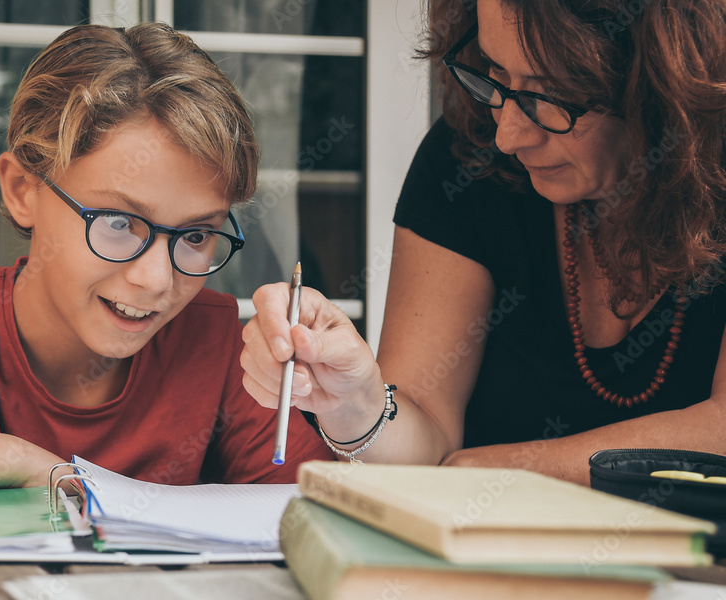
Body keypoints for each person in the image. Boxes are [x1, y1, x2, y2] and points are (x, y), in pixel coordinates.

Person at [0, 22, 332, 495]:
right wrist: (19, 462)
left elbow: (321, 512)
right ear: (22, 190)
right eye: (119, 223)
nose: (155, 280)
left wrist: (351, 406)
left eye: (196, 235)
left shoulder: (217, 349)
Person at [241, 0, 726, 485]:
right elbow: (422, 435)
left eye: (551, 93)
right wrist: (356, 402)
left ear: (664, 86)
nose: (508, 136)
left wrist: (487, 471)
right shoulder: (467, 158)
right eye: (495, 74)